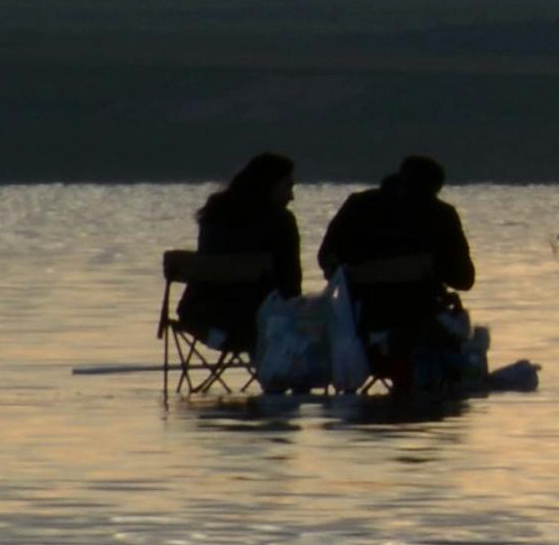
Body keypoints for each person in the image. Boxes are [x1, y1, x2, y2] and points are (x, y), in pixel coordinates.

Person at [315, 155, 478, 391]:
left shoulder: (358, 205)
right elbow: (464, 279)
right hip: (421, 321)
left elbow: (327, 260)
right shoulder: (440, 215)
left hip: (361, 320)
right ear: (434, 189)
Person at [172, 151, 300, 357]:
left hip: (199, 315)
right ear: (269, 186)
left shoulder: (214, 212)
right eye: (287, 187)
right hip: (256, 320)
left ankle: (225, 339)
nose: (291, 196)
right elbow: (291, 280)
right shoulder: (280, 221)